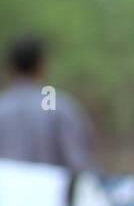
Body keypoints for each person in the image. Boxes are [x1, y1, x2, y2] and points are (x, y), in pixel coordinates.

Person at [0, 35, 96, 173]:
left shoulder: (2, 106)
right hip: (53, 193)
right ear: (41, 65)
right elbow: (78, 163)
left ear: (9, 67)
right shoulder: (59, 107)